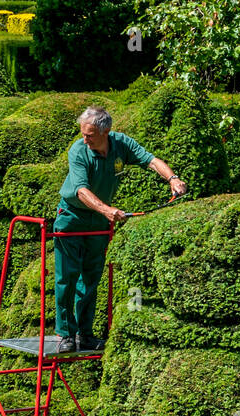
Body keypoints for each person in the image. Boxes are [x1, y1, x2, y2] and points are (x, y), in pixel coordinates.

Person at [53, 106, 187, 353]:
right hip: (71, 218)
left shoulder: (120, 144)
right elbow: (81, 191)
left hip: (99, 223)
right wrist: (106, 210)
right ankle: (66, 335)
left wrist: (172, 179)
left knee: (91, 278)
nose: (85, 138)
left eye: (90, 134)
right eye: (83, 133)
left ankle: (86, 334)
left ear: (106, 132)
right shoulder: (78, 150)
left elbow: (151, 160)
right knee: (66, 278)